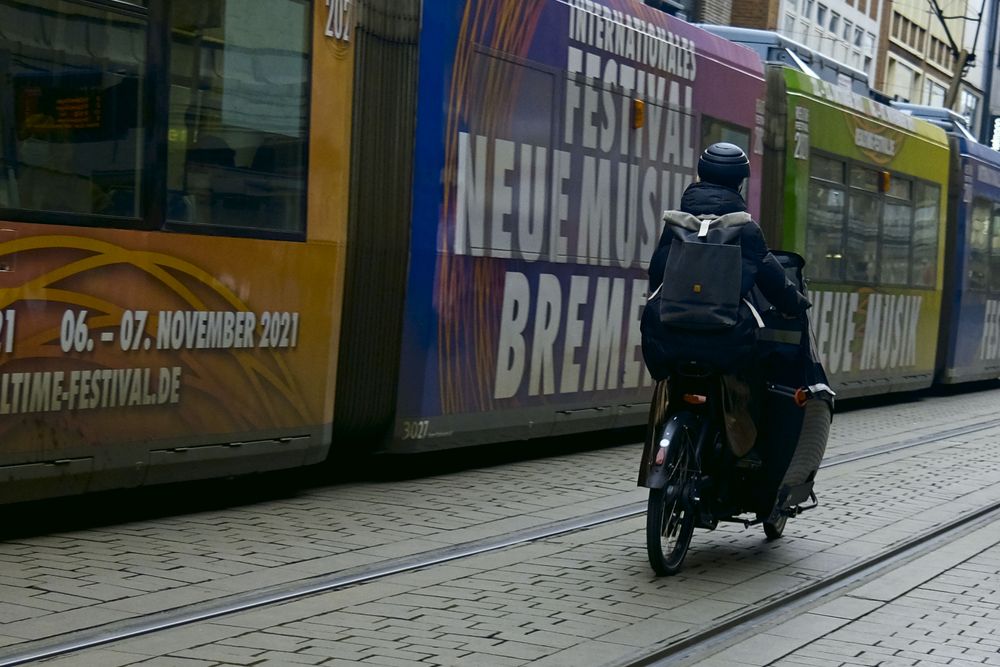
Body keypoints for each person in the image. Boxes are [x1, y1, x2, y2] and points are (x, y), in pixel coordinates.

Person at [641, 142, 810, 457]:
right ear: (740, 182)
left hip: (667, 338)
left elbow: (657, 276)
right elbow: (773, 282)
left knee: (672, 384)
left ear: (700, 175)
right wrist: (797, 305)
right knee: (759, 384)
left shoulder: (674, 225)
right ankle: (740, 459)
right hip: (726, 341)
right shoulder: (745, 230)